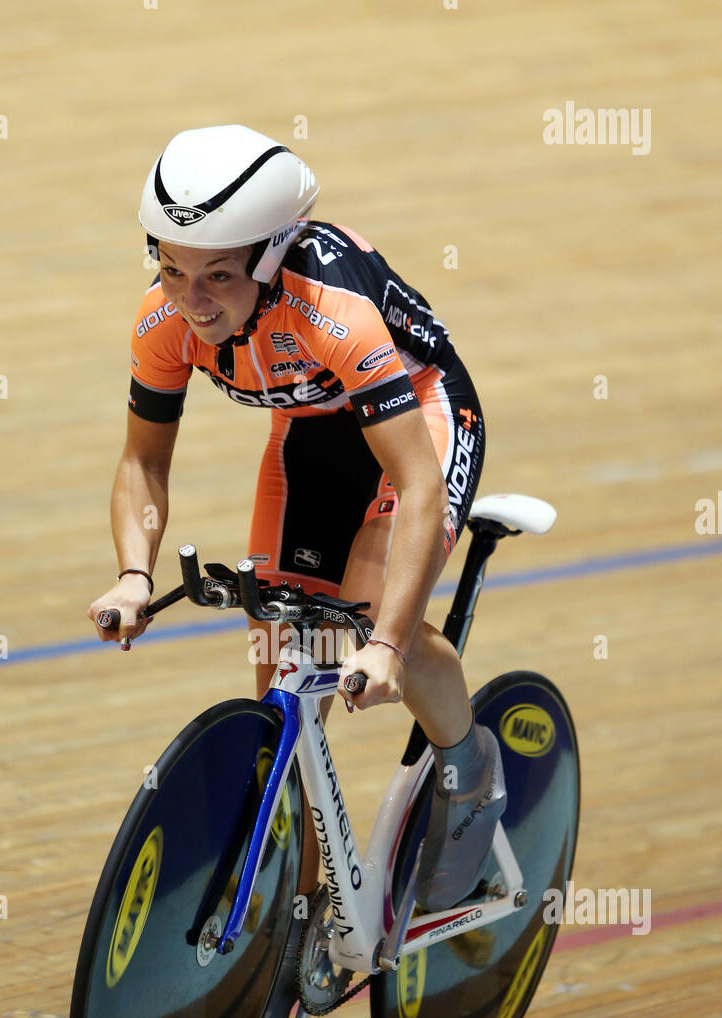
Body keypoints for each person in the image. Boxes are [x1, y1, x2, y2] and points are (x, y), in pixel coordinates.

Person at [88, 123, 506, 930]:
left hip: (418, 420)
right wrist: (134, 572)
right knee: (281, 659)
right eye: (170, 269)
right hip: (313, 432)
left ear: (271, 260)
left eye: (215, 275)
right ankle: (296, 909)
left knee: (370, 616)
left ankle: (467, 768)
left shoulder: (333, 314)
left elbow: (416, 483)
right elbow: (143, 463)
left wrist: (383, 644)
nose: (189, 298)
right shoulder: (162, 323)